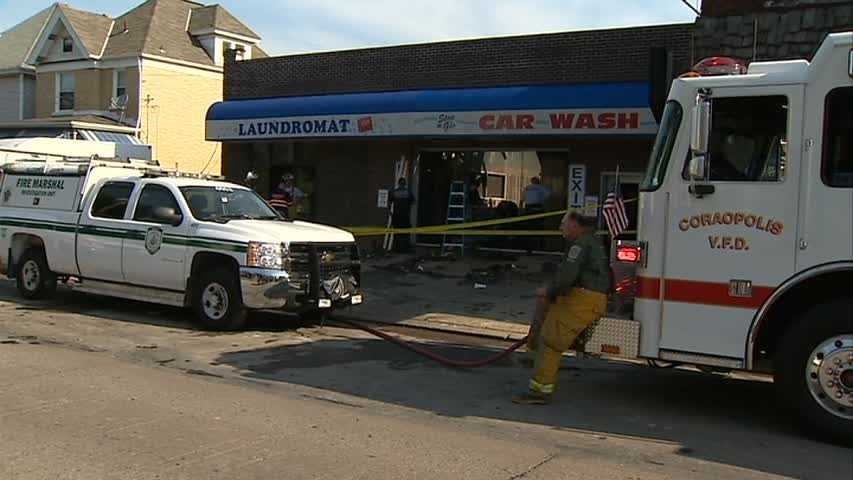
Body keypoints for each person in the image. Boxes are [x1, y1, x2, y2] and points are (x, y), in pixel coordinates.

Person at [513, 211, 610, 405]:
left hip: (583, 298)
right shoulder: (591, 242)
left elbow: (567, 276)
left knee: (550, 341)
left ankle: (540, 391)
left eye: (563, 223)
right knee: (551, 337)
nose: (561, 228)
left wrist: (549, 291)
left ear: (575, 223)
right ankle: (539, 378)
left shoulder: (580, 245)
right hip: (588, 298)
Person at [522, 177, 550, 251]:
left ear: (531, 181)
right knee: (539, 227)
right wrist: (541, 199)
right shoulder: (541, 188)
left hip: (529, 209)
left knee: (529, 228)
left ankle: (529, 248)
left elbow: (523, 198)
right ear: (538, 181)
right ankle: (540, 247)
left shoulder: (527, 188)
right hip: (538, 208)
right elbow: (548, 195)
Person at [389, 177, 415, 253]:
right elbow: (413, 202)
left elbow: (389, 204)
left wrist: (391, 214)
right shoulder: (408, 192)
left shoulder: (394, 192)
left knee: (396, 233)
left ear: (398, 183)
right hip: (405, 216)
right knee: (406, 233)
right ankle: (405, 249)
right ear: (405, 184)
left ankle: (396, 249)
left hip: (396, 216)